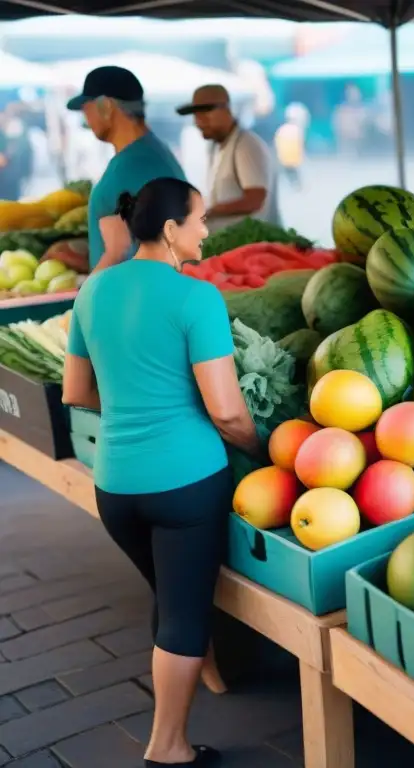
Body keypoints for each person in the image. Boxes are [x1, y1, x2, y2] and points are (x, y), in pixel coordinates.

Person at [62, 176, 261, 767]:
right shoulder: (195, 298)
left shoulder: (93, 291)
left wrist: (132, 408)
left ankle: (208, 670)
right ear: (171, 230)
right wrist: (261, 445)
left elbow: (76, 390)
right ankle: (168, 746)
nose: (206, 229)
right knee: (181, 609)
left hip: (115, 485)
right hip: (186, 485)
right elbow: (226, 410)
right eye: (199, 219)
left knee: (173, 592)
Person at [61, 67, 186, 274]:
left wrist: (85, 298)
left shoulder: (131, 166)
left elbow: (119, 249)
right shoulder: (155, 153)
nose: (86, 119)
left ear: (107, 106)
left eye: (87, 109)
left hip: (132, 296)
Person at [176, 84, 279, 233]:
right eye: (196, 115)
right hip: (226, 246)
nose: (199, 121)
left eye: (205, 112)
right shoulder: (215, 147)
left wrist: (209, 212)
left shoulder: (246, 145)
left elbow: (255, 200)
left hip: (248, 247)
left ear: (226, 109)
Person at [274, 104, 306, 189]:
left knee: (289, 173)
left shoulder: (282, 129)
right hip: (292, 158)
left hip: (284, 157)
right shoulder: (297, 130)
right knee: (293, 173)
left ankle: (295, 184)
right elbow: (300, 144)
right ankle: (296, 185)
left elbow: (277, 143)